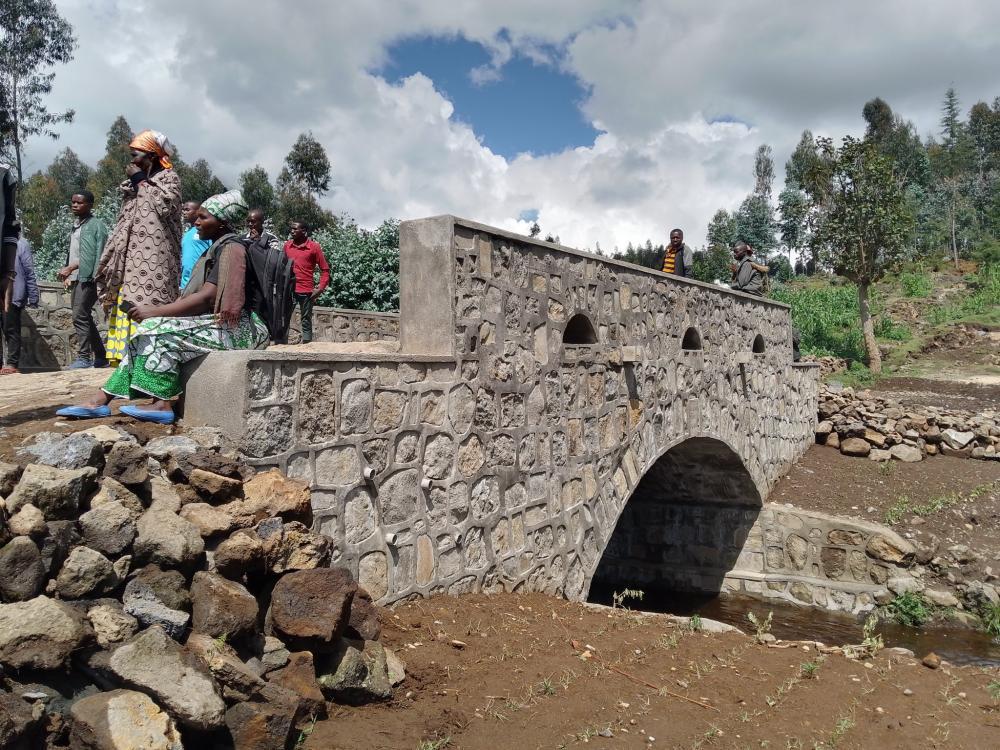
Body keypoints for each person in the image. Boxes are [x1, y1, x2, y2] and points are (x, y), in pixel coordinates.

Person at [57, 190, 269, 424]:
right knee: (144, 332)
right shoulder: (219, 247)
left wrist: (153, 312)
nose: (196, 222)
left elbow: (207, 298)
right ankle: (102, 399)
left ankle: (162, 403)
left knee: (157, 330)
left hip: (241, 331)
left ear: (223, 222)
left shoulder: (232, 249)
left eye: (204, 217)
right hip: (227, 326)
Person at [95, 129, 183, 366]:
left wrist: (140, 181)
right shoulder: (132, 187)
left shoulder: (169, 178)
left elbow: (165, 206)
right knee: (126, 305)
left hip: (155, 263)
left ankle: (149, 367)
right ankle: (123, 365)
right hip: (129, 261)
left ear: (152, 156)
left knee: (149, 308)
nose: (132, 160)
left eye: (136, 154)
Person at [58, 191, 110, 369]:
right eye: (73, 202)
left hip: (89, 277)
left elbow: (97, 254)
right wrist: (69, 274)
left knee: (79, 315)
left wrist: (95, 276)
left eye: (79, 203)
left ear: (90, 205)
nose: (74, 205)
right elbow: (75, 252)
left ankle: (84, 357)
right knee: (83, 316)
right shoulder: (77, 226)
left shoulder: (97, 226)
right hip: (78, 277)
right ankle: (101, 356)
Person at [1, 224, 39, 374]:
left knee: (10, 329)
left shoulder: (21, 245)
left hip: (13, 294)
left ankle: (12, 363)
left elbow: (29, 271)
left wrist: (33, 296)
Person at [283, 221, 329, 343]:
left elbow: (325, 269)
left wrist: (320, 289)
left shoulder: (314, 247)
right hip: (289, 289)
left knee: (306, 320)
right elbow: (281, 267)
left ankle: (307, 347)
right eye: (291, 229)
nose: (291, 231)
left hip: (307, 290)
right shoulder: (287, 246)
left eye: (295, 229)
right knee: (283, 318)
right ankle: (281, 345)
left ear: (303, 231)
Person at [179, 200, 211, 290]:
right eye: (183, 210)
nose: (184, 212)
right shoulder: (187, 233)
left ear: (198, 211)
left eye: (187, 210)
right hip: (185, 282)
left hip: (199, 281)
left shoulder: (205, 231)